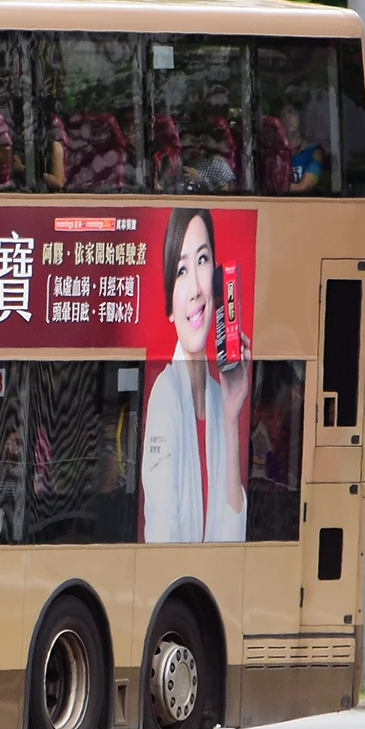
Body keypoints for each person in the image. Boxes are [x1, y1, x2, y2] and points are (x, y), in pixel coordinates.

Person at [141, 209, 250, 542]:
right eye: (181, 270)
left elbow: (233, 540)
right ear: (170, 307)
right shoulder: (166, 394)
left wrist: (232, 415)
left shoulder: (219, 399)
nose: (195, 289)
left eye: (203, 261)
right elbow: (162, 529)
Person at [280, 102, 325, 193]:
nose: (287, 117)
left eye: (291, 112)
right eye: (283, 115)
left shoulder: (314, 152)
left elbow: (303, 187)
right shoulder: (275, 153)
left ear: (299, 116)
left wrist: (278, 186)